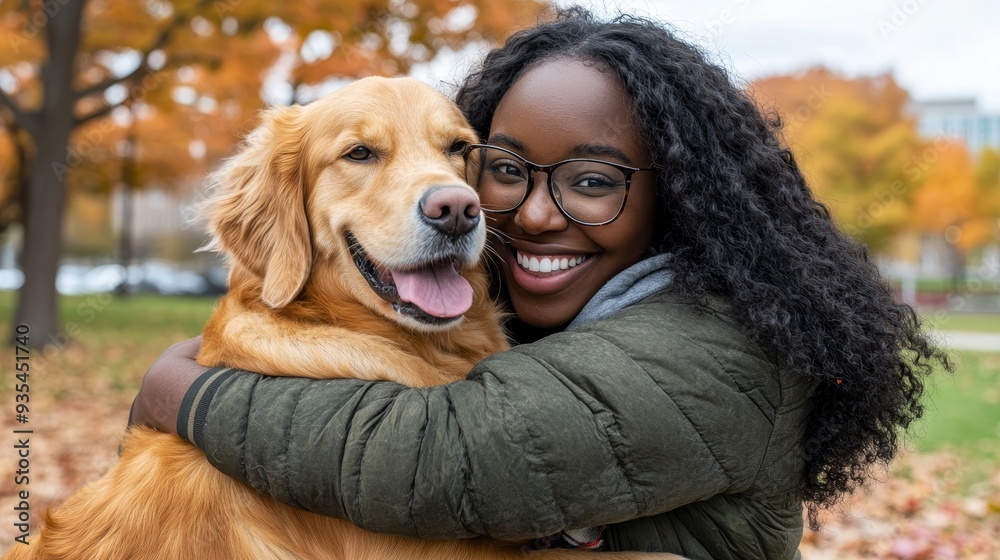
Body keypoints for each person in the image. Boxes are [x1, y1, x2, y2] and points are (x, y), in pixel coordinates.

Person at [131, 7, 950, 559]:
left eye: (594, 181)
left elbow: (442, 460)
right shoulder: (532, 323)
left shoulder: (714, 347)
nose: (531, 212)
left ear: (678, 196)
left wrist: (184, 393)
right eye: (507, 168)